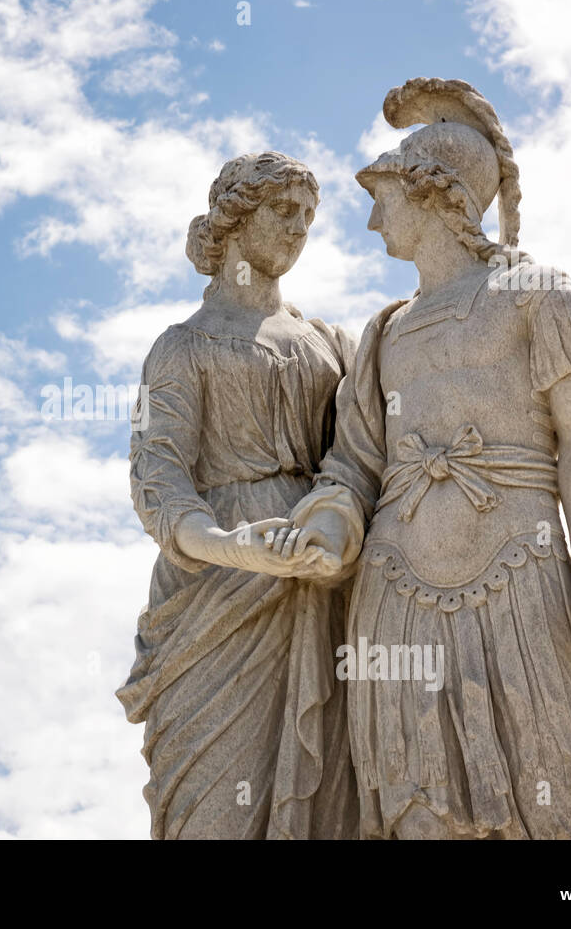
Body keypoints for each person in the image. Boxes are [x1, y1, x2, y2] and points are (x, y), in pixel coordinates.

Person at [278, 79, 571, 839]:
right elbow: (353, 468)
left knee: (550, 788)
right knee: (414, 805)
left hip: (520, 582)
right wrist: (328, 527)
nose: (372, 219)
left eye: (385, 195)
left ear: (434, 195)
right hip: (396, 596)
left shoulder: (539, 298)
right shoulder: (385, 334)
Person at [116, 151, 361, 839]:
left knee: (327, 810)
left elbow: (365, 455)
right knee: (212, 808)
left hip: (317, 577)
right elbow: (157, 482)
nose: (299, 228)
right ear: (235, 217)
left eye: (309, 217)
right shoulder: (182, 347)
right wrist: (229, 546)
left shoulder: (330, 344)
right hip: (214, 591)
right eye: (283, 211)